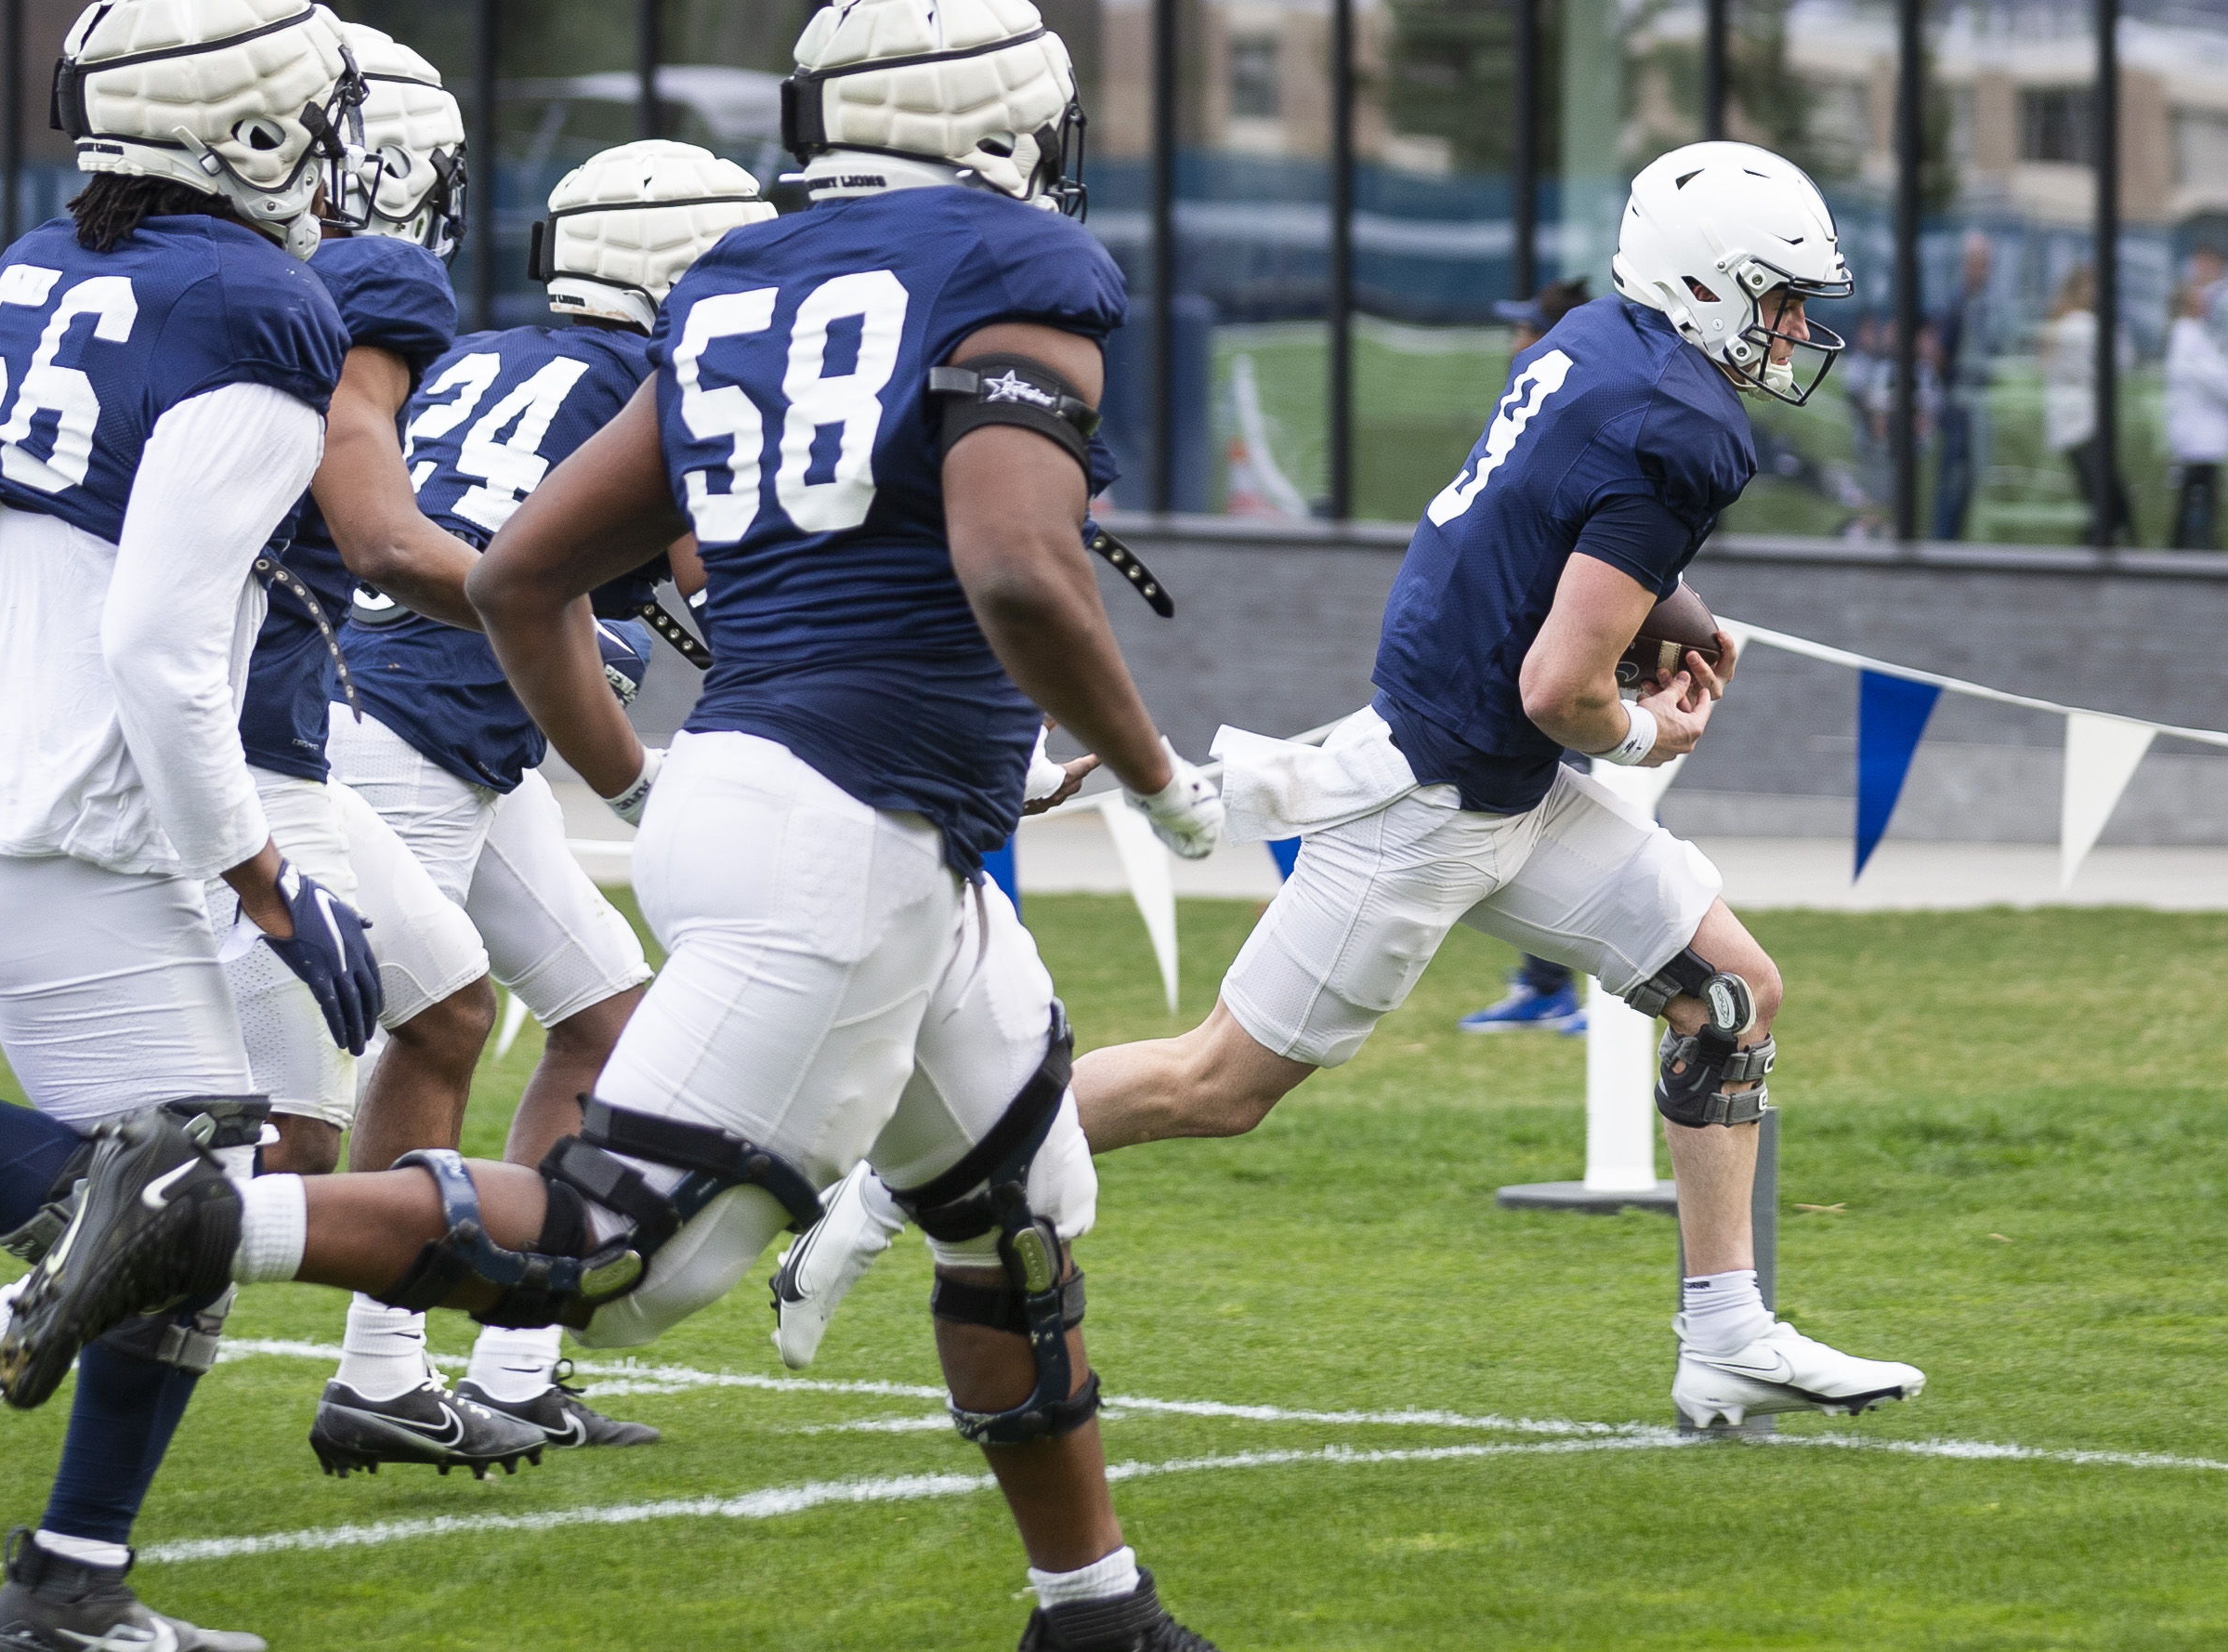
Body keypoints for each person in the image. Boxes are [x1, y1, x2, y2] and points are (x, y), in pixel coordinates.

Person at [0, 3, 1226, 1645]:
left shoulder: (734, 285)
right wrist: (1149, 770)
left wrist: (639, 784)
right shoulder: (1016, 265)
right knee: (615, 1253)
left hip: (810, 805)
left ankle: (1094, 1606)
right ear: (1008, 128)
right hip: (845, 837)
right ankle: (202, 1212)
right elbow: (1014, 565)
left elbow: (516, 575)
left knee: (1015, 1214)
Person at [774, 142, 1933, 1433]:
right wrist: (1641, 738)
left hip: (1492, 775)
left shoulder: (1598, 342)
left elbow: (1540, 526)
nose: (1792, 328)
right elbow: (1561, 686)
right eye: (1775, 297)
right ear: (1708, 284)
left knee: (1728, 995)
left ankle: (1722, 1336)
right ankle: (881, 1187)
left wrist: (1667, 607)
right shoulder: (1682, 422)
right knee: (1213, 1086)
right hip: (1432, 796)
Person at [0, 4, 373, 1646]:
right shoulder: (266, 309)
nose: (326, 152)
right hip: (71, 814)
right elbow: (158, 651)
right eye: (305, 119)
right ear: (244, 136)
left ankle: (72, 1577)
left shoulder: (47, 263)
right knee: (183, 1202)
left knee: (172, 1195)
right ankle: (66, 1590)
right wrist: (263, 881)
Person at [317, 136, 773, 1453]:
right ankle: (379, 1372)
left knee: (607, 1014)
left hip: (430, 719)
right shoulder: (665, 390)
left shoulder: (480, 354)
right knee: (339, 1069)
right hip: (408, 733)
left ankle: (516, 1366)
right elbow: (736, 591)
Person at [1462, 272, 1597, 1036]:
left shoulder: (1567, 425)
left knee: (1545, 826)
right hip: (1520, 658)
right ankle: (1545, 988)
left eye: (1525, 328)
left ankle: (1557, 992)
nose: (1514, 342)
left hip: (1549, 664)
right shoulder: (1536, 414)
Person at [2043, 265, 2135, 544]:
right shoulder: (2088, 327)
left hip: (2066, 421)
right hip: (2086, 422)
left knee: (2100, 498)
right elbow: (2124, 361)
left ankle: (2095, 550)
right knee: (2109, 502)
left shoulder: (2059, 324)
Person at [1932, 229, 1996, 541]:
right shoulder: (1958, 305)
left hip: (1974, 408)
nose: (1984, 272)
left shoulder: (1981, 305)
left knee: (1968, 481)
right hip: (1959, 409)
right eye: (1979, 264)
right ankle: (1944, 541)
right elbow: (1940, 354)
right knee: (1953, 480)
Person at [2165, 279, 2228, 549]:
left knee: (2195, 500)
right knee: (2198, 501)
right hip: (2199, 438)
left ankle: (2183, 552)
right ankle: (2190, 555)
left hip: (2198, 435)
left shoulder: (2193, 335)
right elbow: (2215, 378)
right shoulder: (2188, 336)